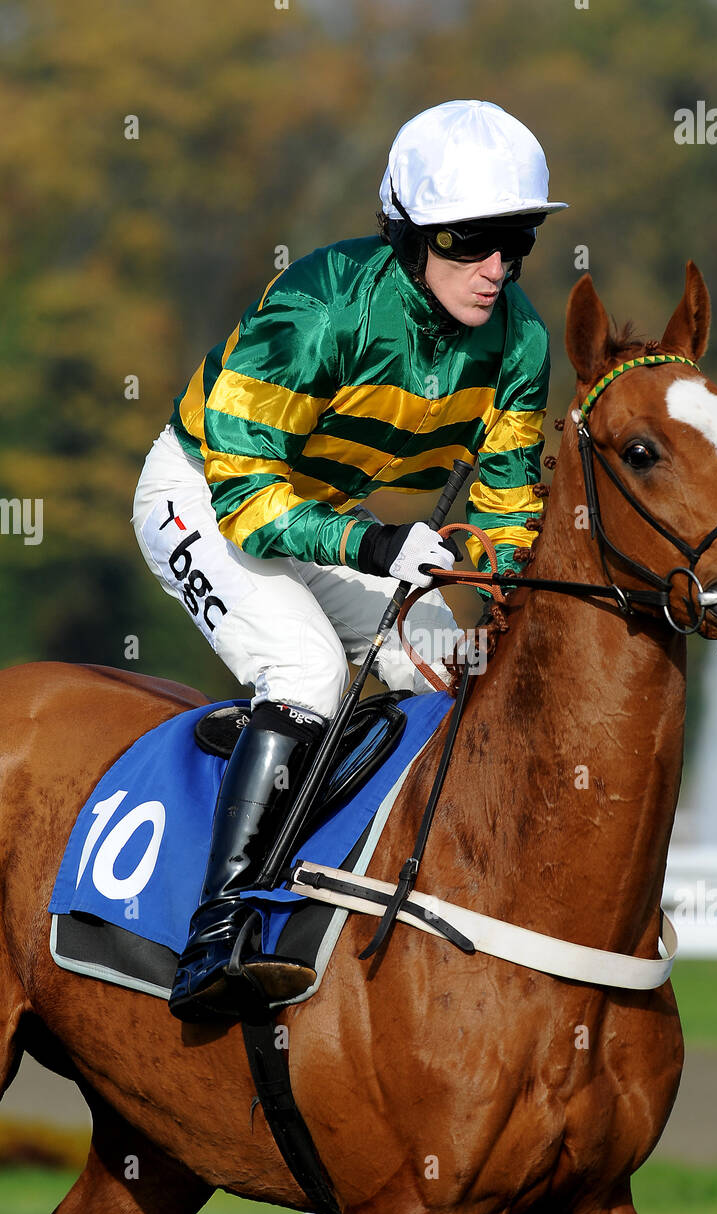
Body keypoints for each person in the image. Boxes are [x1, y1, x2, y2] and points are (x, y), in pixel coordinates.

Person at [131, 98, 566, 1021]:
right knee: (308, 669)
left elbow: (511, 507)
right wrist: (380, 544)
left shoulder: (519, 340)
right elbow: (247, 500)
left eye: (515, 241)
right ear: (409, 237)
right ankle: (218, 930)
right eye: (467, 240)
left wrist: (476, 561)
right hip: (203, 494)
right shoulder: (319, 305)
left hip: (328, 514)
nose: (495, 269)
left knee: (455, 661)